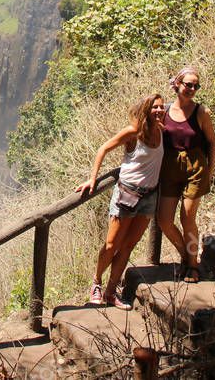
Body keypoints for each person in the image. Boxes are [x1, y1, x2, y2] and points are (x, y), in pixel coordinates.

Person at [75, 93, 167, 309]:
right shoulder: (133, 132)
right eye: (155, 107)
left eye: (162, 107)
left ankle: (110, 291)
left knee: (127, 246)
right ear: (146, 109)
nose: (159, 110)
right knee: (111, 244)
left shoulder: (161, 131)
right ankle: (96, 282)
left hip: (149, 197)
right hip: (127, 194)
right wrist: (93, 178)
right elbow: (104, 149)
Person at [156, 67, 215, 283]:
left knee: (187, 218)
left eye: (195, 85)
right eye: (188, 84)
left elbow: (211, 141)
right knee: (164, 220)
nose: (192, 89)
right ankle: (186, 254)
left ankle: (192, 265)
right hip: (170, 168)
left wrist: (209, 170)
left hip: (195, 167)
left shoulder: (201, 112)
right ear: (177, 85)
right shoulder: (164, 111)